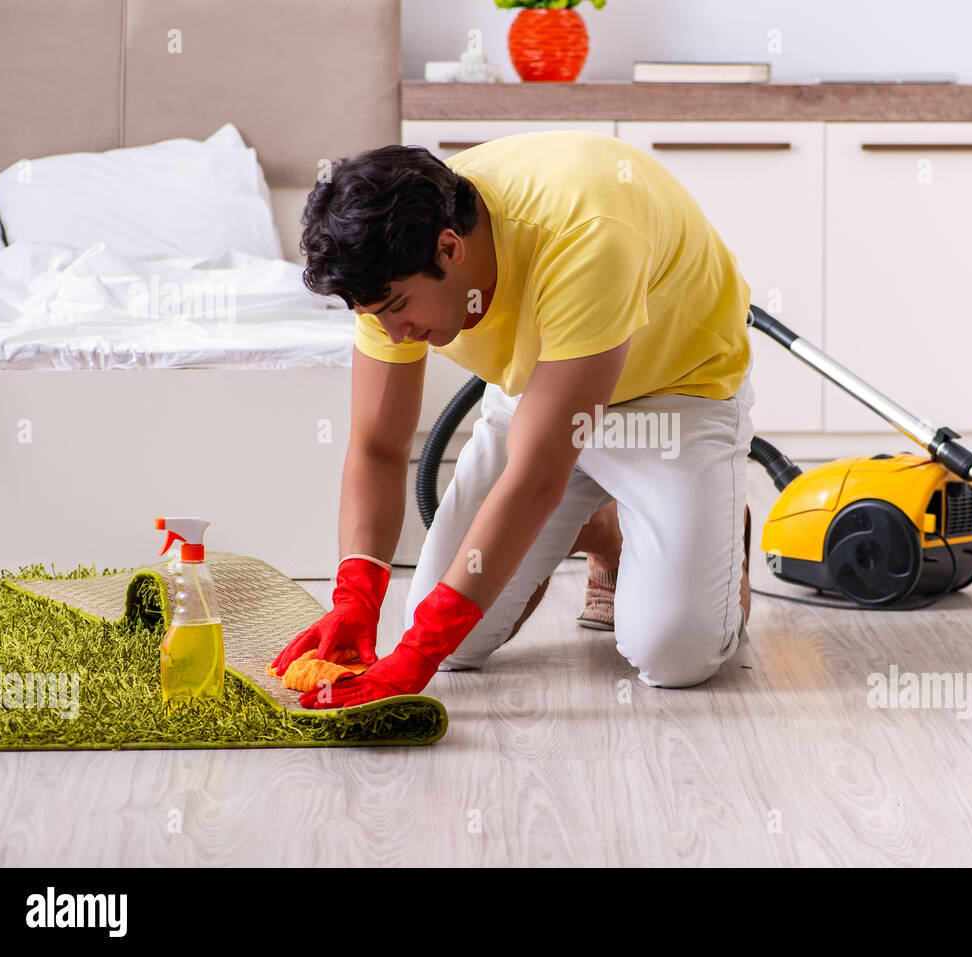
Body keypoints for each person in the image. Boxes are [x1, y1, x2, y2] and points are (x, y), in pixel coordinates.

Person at [269, 130, 755, 708]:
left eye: (398, 309)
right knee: (454, 644)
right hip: (541, 389)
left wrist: (414, 654)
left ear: (450, 248)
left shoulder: (587, 232)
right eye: (375, 317)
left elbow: (535, 478)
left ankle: (708, 541)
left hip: (674, 396)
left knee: (675, 654)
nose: (395, 335)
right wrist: (356, 597)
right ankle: (600, 528)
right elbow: (377, 447)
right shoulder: (385, 268)